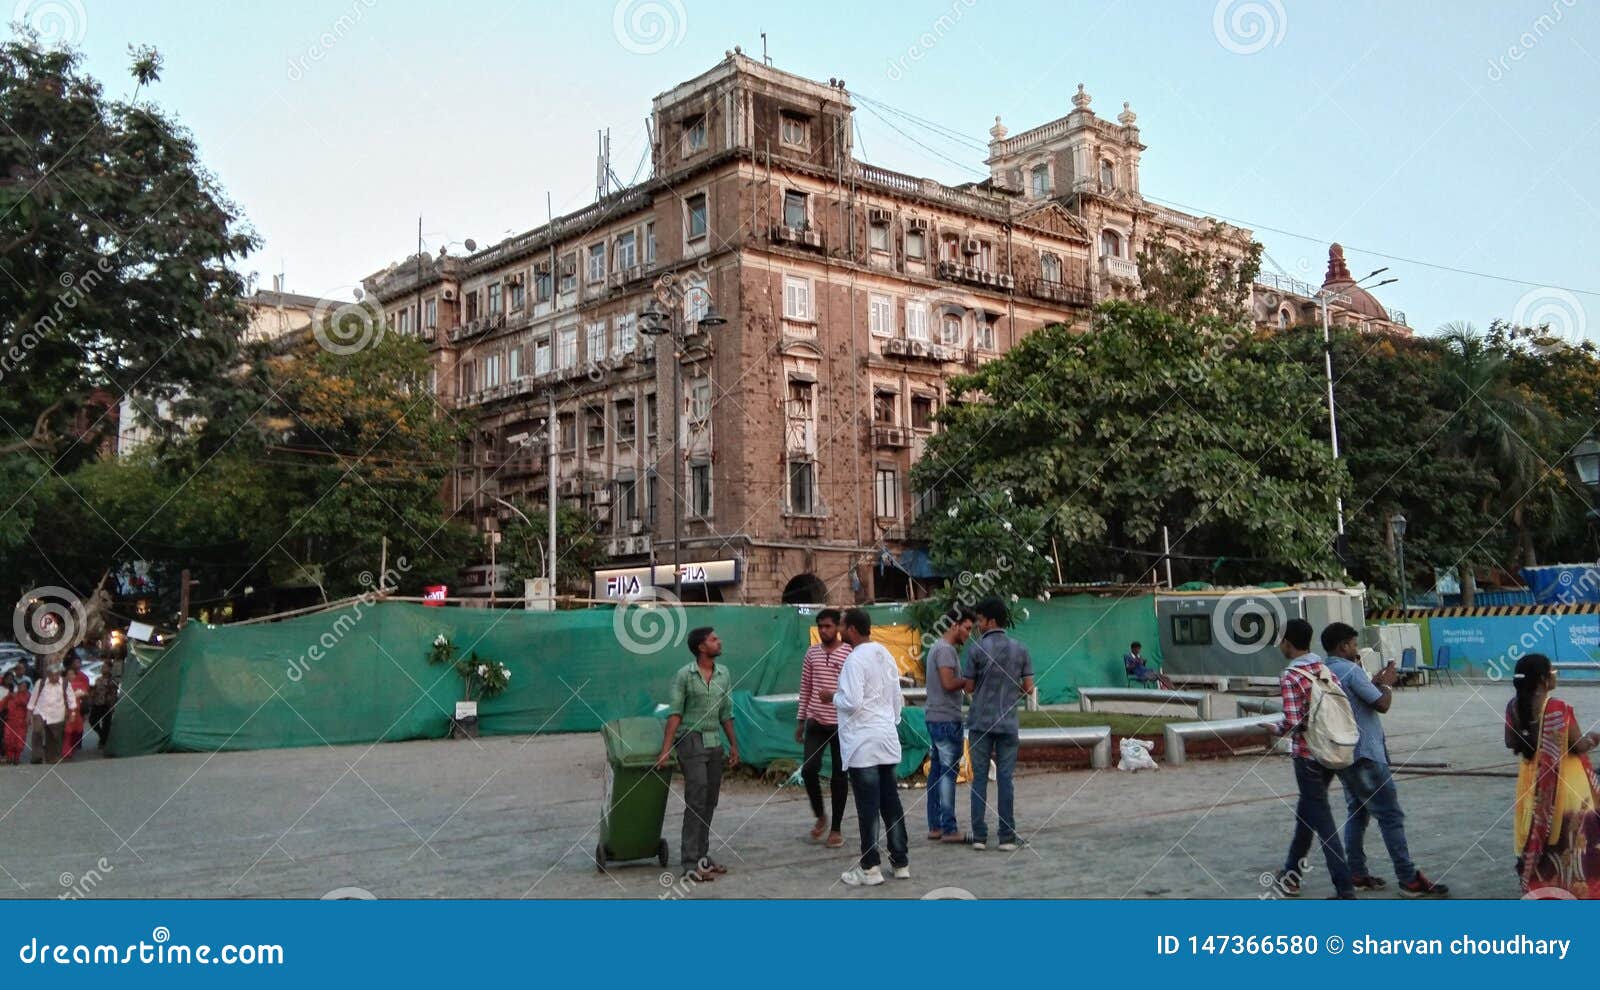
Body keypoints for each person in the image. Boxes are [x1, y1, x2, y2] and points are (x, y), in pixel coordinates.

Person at [1320, 623, 1448, 897]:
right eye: (1353, 645)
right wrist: (1387, 685)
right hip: (1367, 755)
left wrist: (1375, 683)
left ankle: (1355, 872)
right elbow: (1382, 705)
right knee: (1390, 816)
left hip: (1343, 756)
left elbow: (1359, 698)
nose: (1356, 650)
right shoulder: (1352, 671)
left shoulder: (1324, 672)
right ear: (1343, 646)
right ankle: (1408, 878)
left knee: (1357, 812)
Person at [1270, 618, 1355, 898]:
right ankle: (1291, 874)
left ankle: (1345, 888)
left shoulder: (1290, 676)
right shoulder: (1322, 668)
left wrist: (1274, 729)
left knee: (1322, 820)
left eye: (1282, 640)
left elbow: (1294, 723)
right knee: (1307, 814)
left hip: (1307, 756)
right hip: (1328, 751)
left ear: (1288, 643)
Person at [1506, 652, 1600, 898]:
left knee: (1540, 834)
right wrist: (1595, 738)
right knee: (1572, 841)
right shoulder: (1558, 708)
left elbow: (1510, 741)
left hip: (1531, 782)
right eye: (1552, 671)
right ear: (1543, 680)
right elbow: (1578, 745)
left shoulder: (1513, 707)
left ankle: (1543, 889)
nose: (1555, 675)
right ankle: (1576, 890)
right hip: (1567, 785)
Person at [828, 608, 909, 886]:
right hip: (886, 738)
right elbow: (897, 699)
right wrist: (889, 722)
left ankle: (870, 867)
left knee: (868, 806)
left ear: (851, 629)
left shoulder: (854, 660)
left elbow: (851, 701)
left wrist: (832, 696)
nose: (839, 630)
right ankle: (901, 863)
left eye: (841, 626)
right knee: (891, 802)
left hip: (863, 743)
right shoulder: (885, 655)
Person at [655, 627, 740, 882]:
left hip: (715, 742)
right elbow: (675, 713)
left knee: (710, 799)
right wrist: (666, 748)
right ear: (701, 647)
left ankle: (702, 856)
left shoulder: (724, 674)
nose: (719, 641)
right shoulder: (684, 676)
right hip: (690, 741)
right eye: (714, 639)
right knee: (696, 798)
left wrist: (734, 745)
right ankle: (690, 862)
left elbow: (727, 712)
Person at [964, 597, 1034, 852]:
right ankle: (1006, 836)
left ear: (990, 620)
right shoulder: (1021, 649)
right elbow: (1028, 688)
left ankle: (979, 836)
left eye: (980, 620)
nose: (978, 625)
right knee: (1006, 778)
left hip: (980, 723)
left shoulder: (974, 649)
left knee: (980, 778)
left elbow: (969, 687)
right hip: (1008, 723)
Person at [795, 609, 851, 848]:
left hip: (842, 724)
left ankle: (836, 828)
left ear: (838, 627)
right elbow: (805, 686)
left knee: (840, 776)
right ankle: (820, 815)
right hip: (815, 721)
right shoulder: (812, 653)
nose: (824, 631)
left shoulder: (850, 653)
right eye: (820, 626)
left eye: (828, 626)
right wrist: (800, 721)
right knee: (809, 769)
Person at [924, 606, 976, 843]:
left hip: (936, 718)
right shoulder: (945, 651)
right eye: (966, 628)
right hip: (945, 719)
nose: (968, 633)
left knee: (936, 772)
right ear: (954, 625)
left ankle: (935, 825)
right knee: (947, 774)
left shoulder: (938, 648)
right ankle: (948, 827)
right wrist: (967, 681)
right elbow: (947, 682)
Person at [27, 664, 76, 765]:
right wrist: (29, 712)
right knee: (37, 731)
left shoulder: (65, 683)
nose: (54, 677)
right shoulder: (40, 683)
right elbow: (33, 698)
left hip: (57, 714)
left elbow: (71, 699)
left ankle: (51, 757)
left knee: (54, 737)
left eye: (56, 675)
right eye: (52, 675)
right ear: (48, 675)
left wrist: (72, 713)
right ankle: (37, 756)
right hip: (40, 712)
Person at [63, 655, 91, 759]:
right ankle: (67, 749)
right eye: (76, 662)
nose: (78, 665)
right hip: (66, 708)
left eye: (79, 662)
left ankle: (74, 746)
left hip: (78, 708)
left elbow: (86, 692)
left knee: (77, 729)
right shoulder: (64, 682)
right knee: (68, 730)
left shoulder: (83, 677)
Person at [88, 662, 119, 752]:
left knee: (106, 724)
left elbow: (114, 694)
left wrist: (113, 705)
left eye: (105, 667)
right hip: (97, 703)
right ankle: (102, 736)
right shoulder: (98, 679)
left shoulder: (112, 681)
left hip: (106, 704)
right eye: (102, 667)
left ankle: (103, 742)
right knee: (92, 720)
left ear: (109, 669)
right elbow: (95, 690)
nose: (103, 669)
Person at [1, 671, 28, 765]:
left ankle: (16, 758)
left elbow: (25, 703)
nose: (22, 688)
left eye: (24, 686)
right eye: (21, 686)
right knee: (8, 740)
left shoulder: (27, 696)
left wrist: (14, 697)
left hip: (21, 723)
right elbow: (2, 705)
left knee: (19, 741)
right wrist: (9, 698)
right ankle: (9, 757)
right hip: (10, 721)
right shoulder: (10, 695)